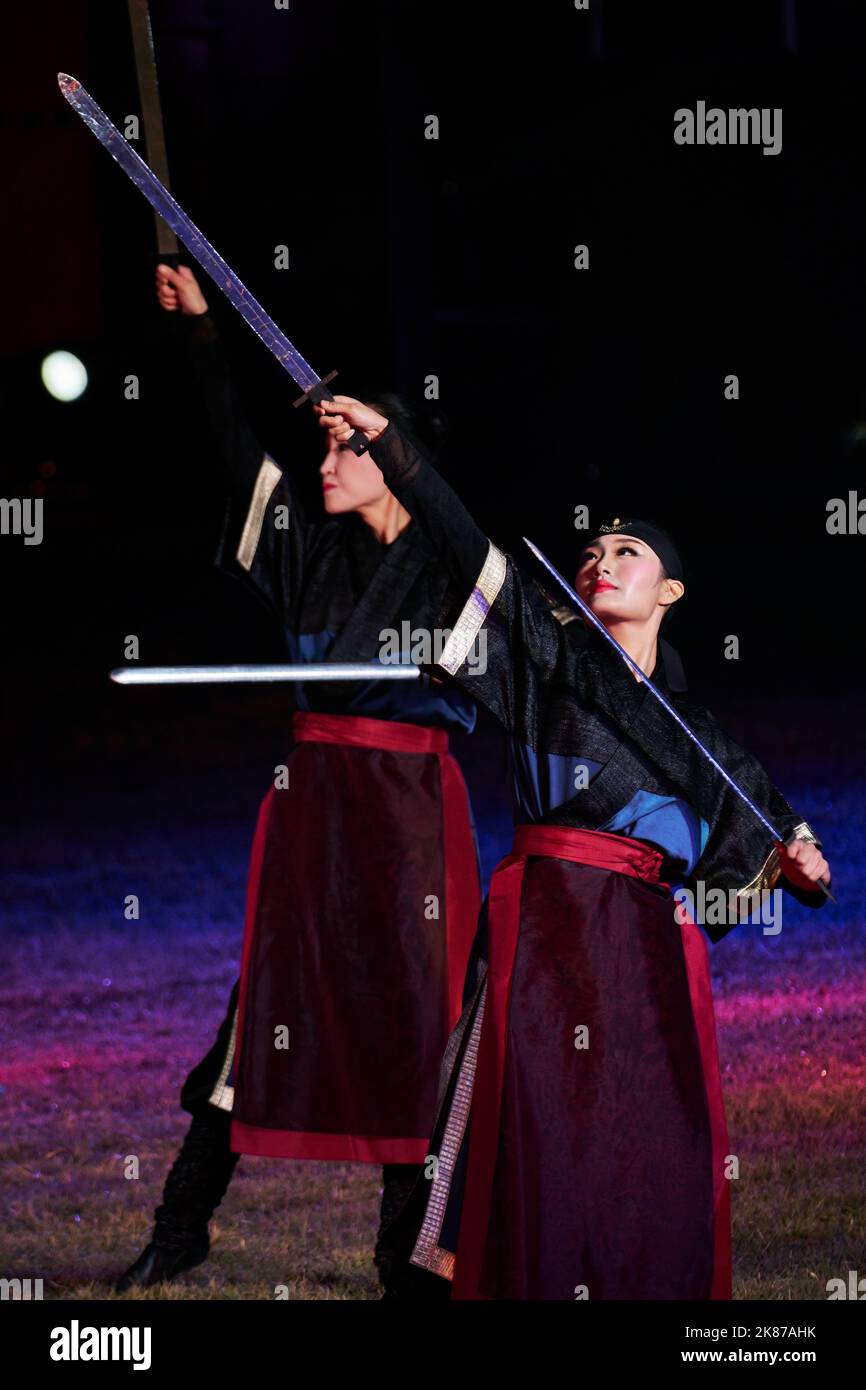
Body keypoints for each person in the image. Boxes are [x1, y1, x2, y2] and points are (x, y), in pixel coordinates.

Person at [312, 394, 832, 1300]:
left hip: (638, 951)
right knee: (499, 1120)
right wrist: (395, 451)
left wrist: (794, 862)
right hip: (543, 928)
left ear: (670, 591)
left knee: (632, 1137)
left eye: (629, 553)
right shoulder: (547, 659)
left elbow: (748, 846)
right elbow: (463, 539)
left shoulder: (702, 736)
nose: (601, 562)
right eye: (592, 553)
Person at [115, 267, 482, 1295]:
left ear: (397, 461)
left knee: (418, 1032)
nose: (325, 463)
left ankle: (402, 1262)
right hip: (315, 810)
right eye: (325, 444)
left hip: (409, 820)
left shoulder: (454, 569)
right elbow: (235, 448)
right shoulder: (306, 556)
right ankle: (181, 1224)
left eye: (347, 448)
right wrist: (197, 335)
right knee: (260, 1016)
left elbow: (460, 528)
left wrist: (390, 437)